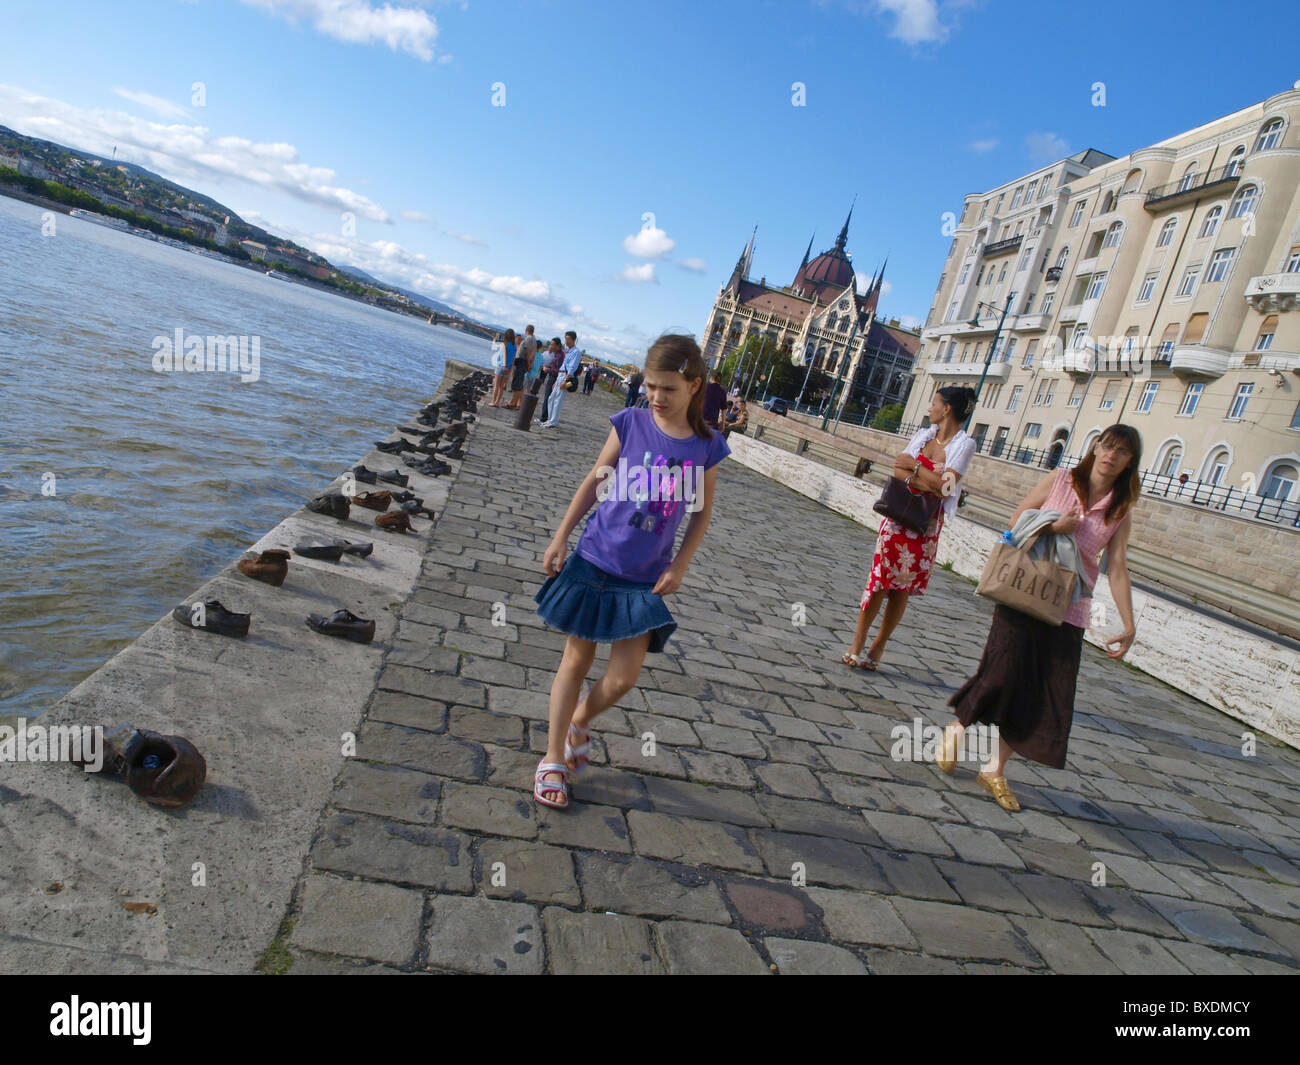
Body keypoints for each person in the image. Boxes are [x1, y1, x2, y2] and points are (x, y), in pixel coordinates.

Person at [531, 333, 731, 808]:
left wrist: (681, 564)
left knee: (623, 679)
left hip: (644, 578)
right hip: (596, 558)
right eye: (651, 386)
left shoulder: (707, 447)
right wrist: (562, 535)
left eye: (668, 389)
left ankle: (580, 719)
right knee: (575, 662)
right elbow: (594, 482)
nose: (656, 397)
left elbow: (701, 513)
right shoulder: (630, 422)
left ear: (694, 386)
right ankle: (552, 760)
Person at [938, 425, 1141, 812]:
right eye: (1107, 445)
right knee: (1001, 670)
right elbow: (1016, 521)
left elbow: (1117, 569)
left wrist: (1129, 625)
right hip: (1024, 588)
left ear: (1130, 462)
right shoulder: (1061, 478)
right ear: (1096, 447)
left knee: (1046, 691)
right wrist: (1053, 524)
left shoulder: (1119, 509)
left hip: (1070, 609)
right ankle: (958, 726)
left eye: (1122, 452)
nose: (1111, 455)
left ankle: (994, 769)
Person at [842, 386, 978, 671]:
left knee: (901, 586)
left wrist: (915, 469)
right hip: (895, 517)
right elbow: (897, 469)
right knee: (879, 578)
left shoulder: (964, 445)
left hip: (924, 525)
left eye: (935, 402)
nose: (930, 407)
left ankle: (878, 646)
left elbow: (947, 488)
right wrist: (928, 479)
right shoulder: (923, 435)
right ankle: (858, 641)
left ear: (947, 408)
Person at [537, 331, 582, 429]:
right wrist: (557, 380)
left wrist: (565, 381)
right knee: (552, 398)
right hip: (560, 375)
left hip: (565, 376)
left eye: (568, 339)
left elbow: (572, 367)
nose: (566, 341)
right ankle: (550, 419)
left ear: (574, 340)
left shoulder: (576, 352)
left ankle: (553, 421)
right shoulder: (568, 351)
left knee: (558, 399)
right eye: (566, 339)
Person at [507, 325, 538, 410]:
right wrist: (530, 364)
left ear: (526, 330)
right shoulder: (534, 340)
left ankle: (512, 403)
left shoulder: (528, 339)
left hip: (521, 362)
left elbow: (527, 352)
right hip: (525, 363)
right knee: (520, 384)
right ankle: (517, 403)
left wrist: (528, 364)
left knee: (517, 384)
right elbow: (533, 354)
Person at [537, 337, 564, 422]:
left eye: (552, 345)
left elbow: (558, 370)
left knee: (548, 397)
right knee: (549, 398)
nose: (550, 346)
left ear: (558, 346)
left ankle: (543, 418)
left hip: (554, 378)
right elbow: (554, 366)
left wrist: (548, 370)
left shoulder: (559, 356)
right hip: (553, 377)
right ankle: (546, 416)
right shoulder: (557, 354)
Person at [490, 328, 516, 407]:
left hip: (501, 366)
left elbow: (504, 355)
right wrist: (510, 369)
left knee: (496, 385)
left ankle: (493, 402)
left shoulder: (504, 344)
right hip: (508, 368)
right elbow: (513, 359)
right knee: (501, 387)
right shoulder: (514, 346)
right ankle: (497, 402)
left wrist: (504, 366)